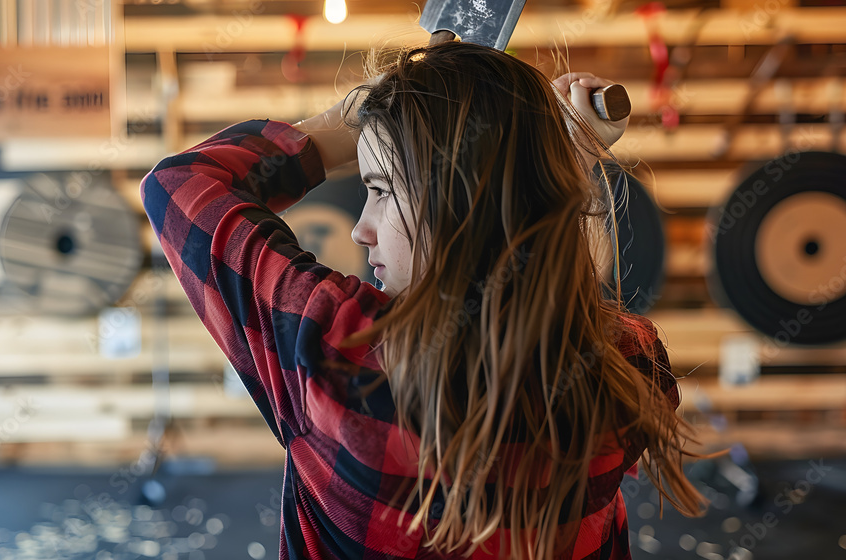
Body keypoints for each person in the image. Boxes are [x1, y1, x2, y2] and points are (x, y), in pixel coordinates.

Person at [141, 41, 711, 560]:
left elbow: (179, 185)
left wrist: (347, 123)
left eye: (382, 189)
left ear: (460, 200)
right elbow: (553, 294)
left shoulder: (337, 350)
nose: (362, 228)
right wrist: (559, 161)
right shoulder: (628, 364)